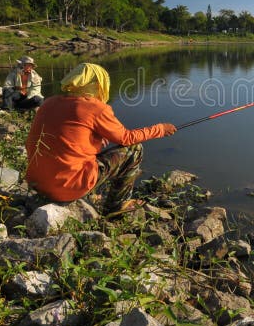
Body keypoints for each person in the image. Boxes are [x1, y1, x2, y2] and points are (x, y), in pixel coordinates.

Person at [25, 63, 176, 217]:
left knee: (95, 148)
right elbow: (127, 138)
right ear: (98, 84)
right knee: (134, 149)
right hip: (66, 188)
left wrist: (94, 141)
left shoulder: (49, 102)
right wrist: (161, 129)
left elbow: (65, 136)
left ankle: (90, 193)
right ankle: (117, 205)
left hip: (36, 182)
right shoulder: (95, 108)